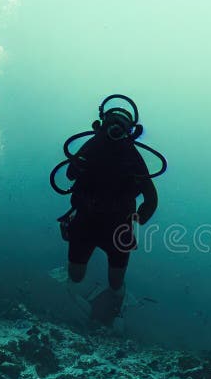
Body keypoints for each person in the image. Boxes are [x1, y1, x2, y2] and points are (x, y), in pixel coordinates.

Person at [64, 108, 158, 325]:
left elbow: (151, 197)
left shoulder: (132, 156)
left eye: (121, 125)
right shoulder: (92, 146)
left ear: (129, 130)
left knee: (116, 282)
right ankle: (80, 289)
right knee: (76, 275)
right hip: (86, 221)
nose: (116, 128)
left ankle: (117, 304)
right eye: (112, 123)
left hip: (118, 228)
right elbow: (70, 174)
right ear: (103, 124)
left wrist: (138, 218)